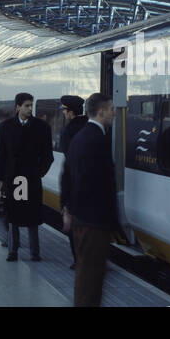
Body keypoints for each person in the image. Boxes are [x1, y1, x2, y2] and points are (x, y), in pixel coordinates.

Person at [62, 93, 120, 306]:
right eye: (112, 108)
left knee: (88, 278)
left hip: (85, 220)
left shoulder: (80, 137)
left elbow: (66, 175)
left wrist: (68, 209)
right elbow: (92, 183)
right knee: (91, 281)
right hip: (93, 222)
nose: (115, 113)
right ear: (101, 111)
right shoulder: (96, 139)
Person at [0, 92, 53, 261]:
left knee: (32, 216)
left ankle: (35, 252)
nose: (30, 109)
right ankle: (13, 251)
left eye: (31, 105)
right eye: (27, 105)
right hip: (13, 178)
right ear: (18, 107)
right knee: (13, 215)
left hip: (31, 178)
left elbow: (48, 156)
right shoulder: (5, 127)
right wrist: (1, 179)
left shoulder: (42, 128)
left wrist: (38, 172)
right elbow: (2, 155)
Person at [57, 95, 89, 267]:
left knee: (75, 229)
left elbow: (69, 164)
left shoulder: (68, 132)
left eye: (64, 110)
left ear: (69, 112)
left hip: (75, 187)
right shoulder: (91, 127)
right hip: (91, 187)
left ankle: (79, 261)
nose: (63, 113)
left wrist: (65, 202)